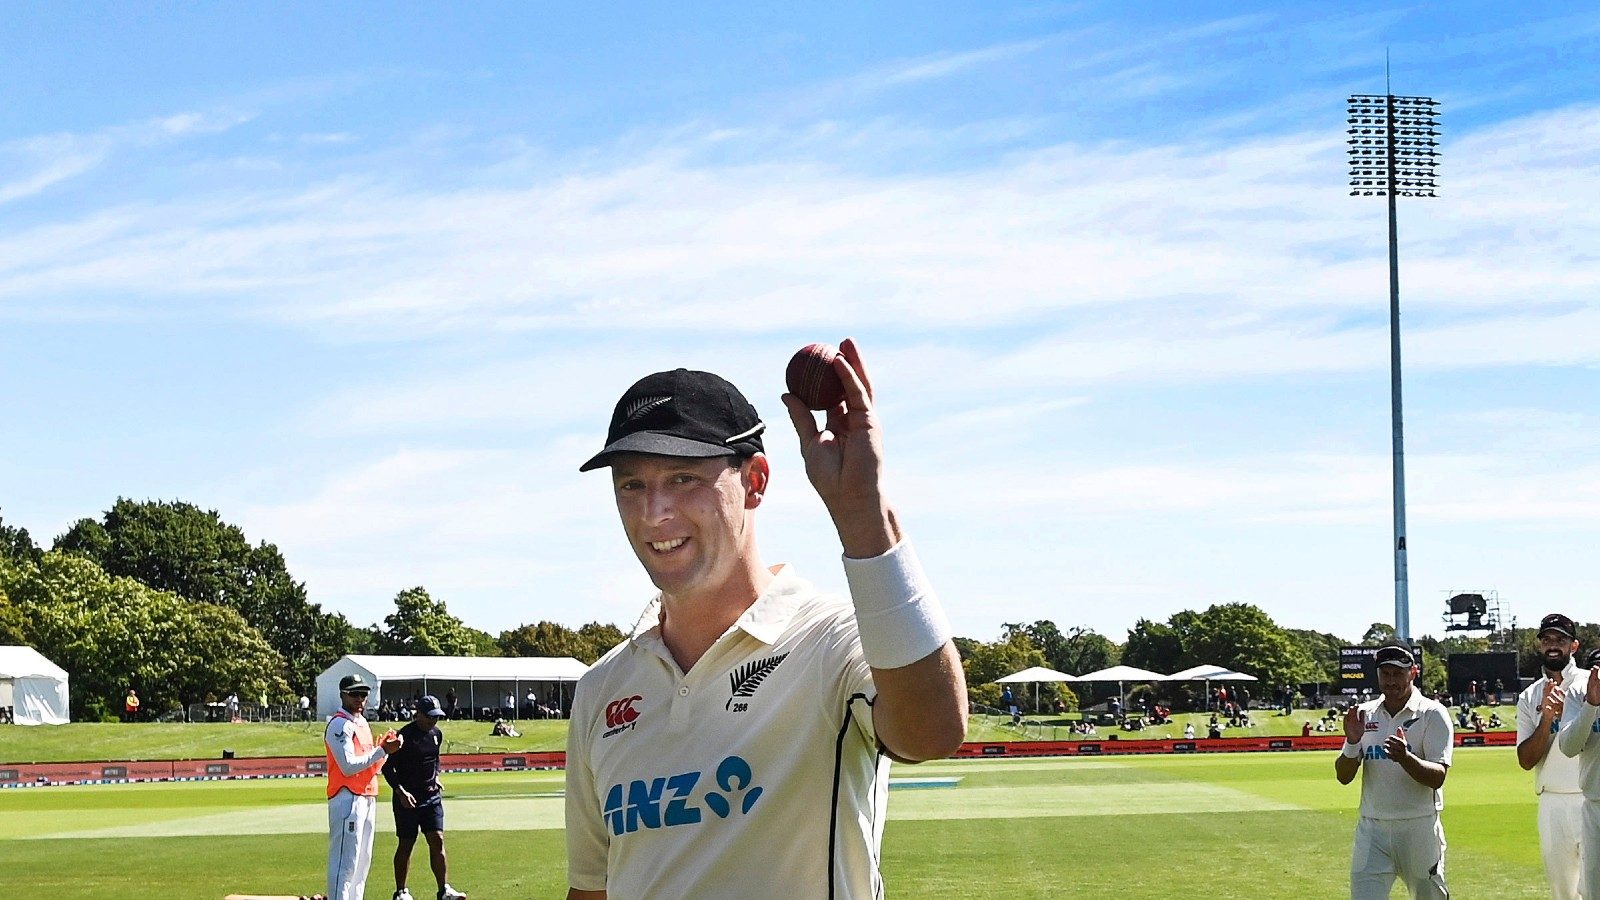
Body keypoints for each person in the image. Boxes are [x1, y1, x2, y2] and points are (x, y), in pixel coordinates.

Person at [563, 345, 966, 899]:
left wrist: (864, 513)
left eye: (683, 479)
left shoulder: (834, 638)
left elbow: (935, 731)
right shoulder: (601, 688)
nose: (654, 513)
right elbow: (592, 890)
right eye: (631, 485)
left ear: (755, 481)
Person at [1334, 643, 1452, 899]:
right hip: (1372, 829)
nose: (1390, 681)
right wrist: (1353, 743)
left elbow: (1438, 777)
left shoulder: (1432, 714)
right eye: (1385, 674)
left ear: (1413, 673)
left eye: (1398, 673)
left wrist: (1405, 758)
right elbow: (1343, 777)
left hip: (1418, 826)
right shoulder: (1365, 714)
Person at [1519, 613, 1581, 900]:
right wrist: (1546, 718)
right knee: (1563, 892)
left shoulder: (1589, 685)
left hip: (1591, 796)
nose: (1553, 646)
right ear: (1540, 646)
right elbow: (1526, 760)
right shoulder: (1529, 697)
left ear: (1574, 646)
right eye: (1547, 640)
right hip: (1552, 800)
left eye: (1560, 640)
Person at [325, 673, 403, 900]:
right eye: (354, 694)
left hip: (367, 795)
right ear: (343, 695)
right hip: (347, 796)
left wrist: (386, 751)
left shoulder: (361, 723)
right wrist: (382, 751)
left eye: (363, 694)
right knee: (345, 863)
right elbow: (348, 766)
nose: (360, 699)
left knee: (362, 863)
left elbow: (372, 765)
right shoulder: (340, 724)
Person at [382, 695, 466, 900]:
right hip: (407, 800)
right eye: (429, 717)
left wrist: (436, 776)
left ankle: (444, 890)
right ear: (418, 714)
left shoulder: (437, 734)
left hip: (431, 797)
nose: (433, 721)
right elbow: (387, 768)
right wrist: (401, 792)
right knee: (406, 844)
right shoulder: (404, 736)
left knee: (437, 840)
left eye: (436, 717)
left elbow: (434, 759)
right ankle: (401, 891)